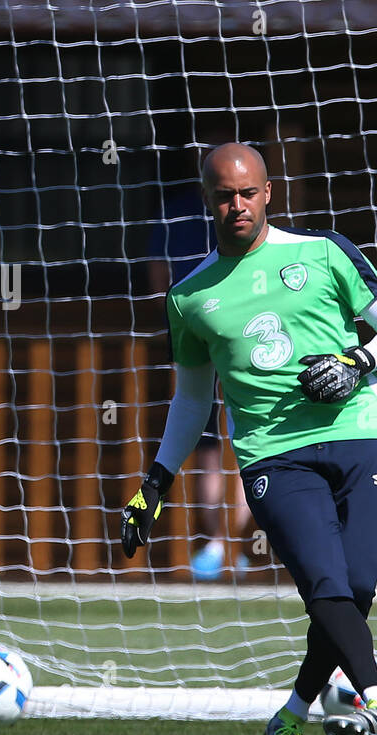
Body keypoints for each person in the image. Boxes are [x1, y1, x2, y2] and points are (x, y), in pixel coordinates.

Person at [121, 142, 377, 735]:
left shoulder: (327, 251)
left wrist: (356, 361)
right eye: (224, 195)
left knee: (357, 585)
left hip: (364, 434)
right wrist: (155, 483)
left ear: (268, 193)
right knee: (324, 583)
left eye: (248, 192)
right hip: (273, 455)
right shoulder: (189, 297)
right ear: (207, 199)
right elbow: (191, 400)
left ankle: (291, 713)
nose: (237, 205)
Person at [148, 171, 252, 580]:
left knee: (241, 447)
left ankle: (228, 545)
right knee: (209, 447)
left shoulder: (248, 220)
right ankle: (220, 545)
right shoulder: (177, 214)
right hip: (203, 341)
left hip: (243, 343)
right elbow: (158, 277)